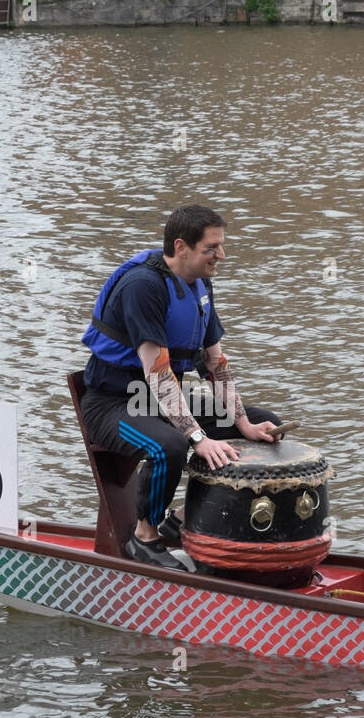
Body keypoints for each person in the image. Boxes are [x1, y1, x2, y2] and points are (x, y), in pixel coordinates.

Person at [79, 205, 282, 570]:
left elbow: (215, 363)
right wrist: (197, 437)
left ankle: (185, 517)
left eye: (221, 246)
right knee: (170, 446)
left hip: (156, 402)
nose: (221, 255)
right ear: (181, 247)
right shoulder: (143, 288)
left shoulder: (201, 285)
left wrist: (243, 422)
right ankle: (145, 535)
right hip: (111, 405)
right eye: (212, 248)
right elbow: (158, 374)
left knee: (262, 423)